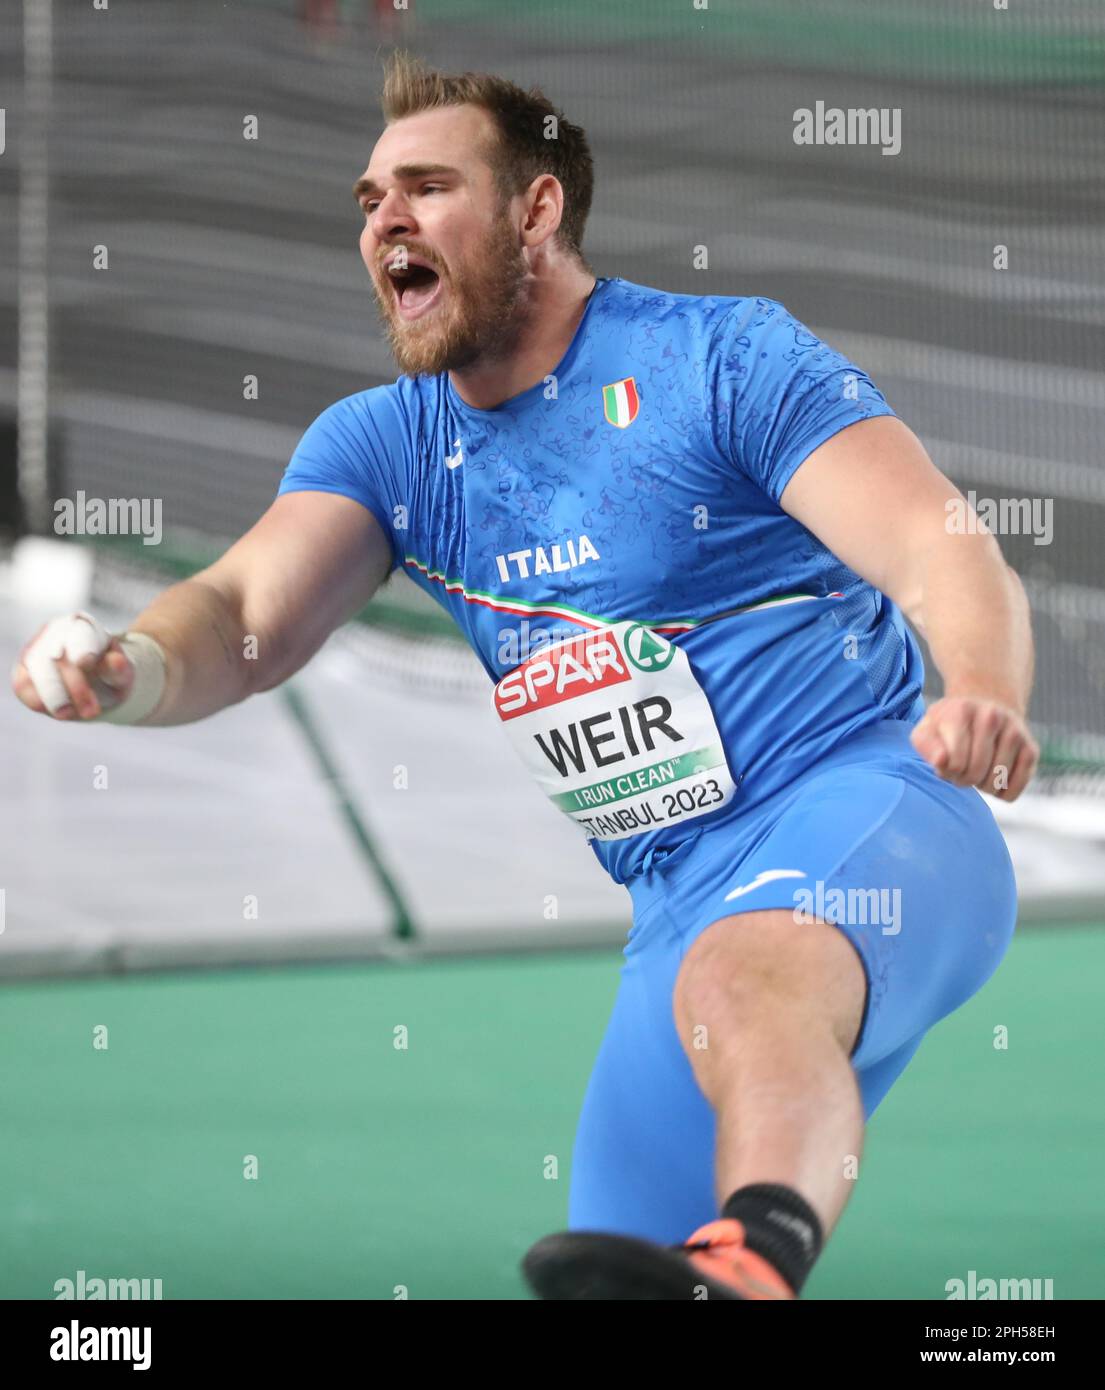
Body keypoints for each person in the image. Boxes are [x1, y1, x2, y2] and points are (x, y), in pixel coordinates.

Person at [11, 51, 1037, 1300]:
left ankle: (758, 1257)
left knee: (742, 983)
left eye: (428, 186)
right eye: (369, 199)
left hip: (875, 820)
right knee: (609, 1268)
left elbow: (941, 547)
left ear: (536, 213)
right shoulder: (389, 444)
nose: (385, 217)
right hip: (676, 909)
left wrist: (978, 685)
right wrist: (132, 665)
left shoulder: (718, 359)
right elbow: (240, 615)